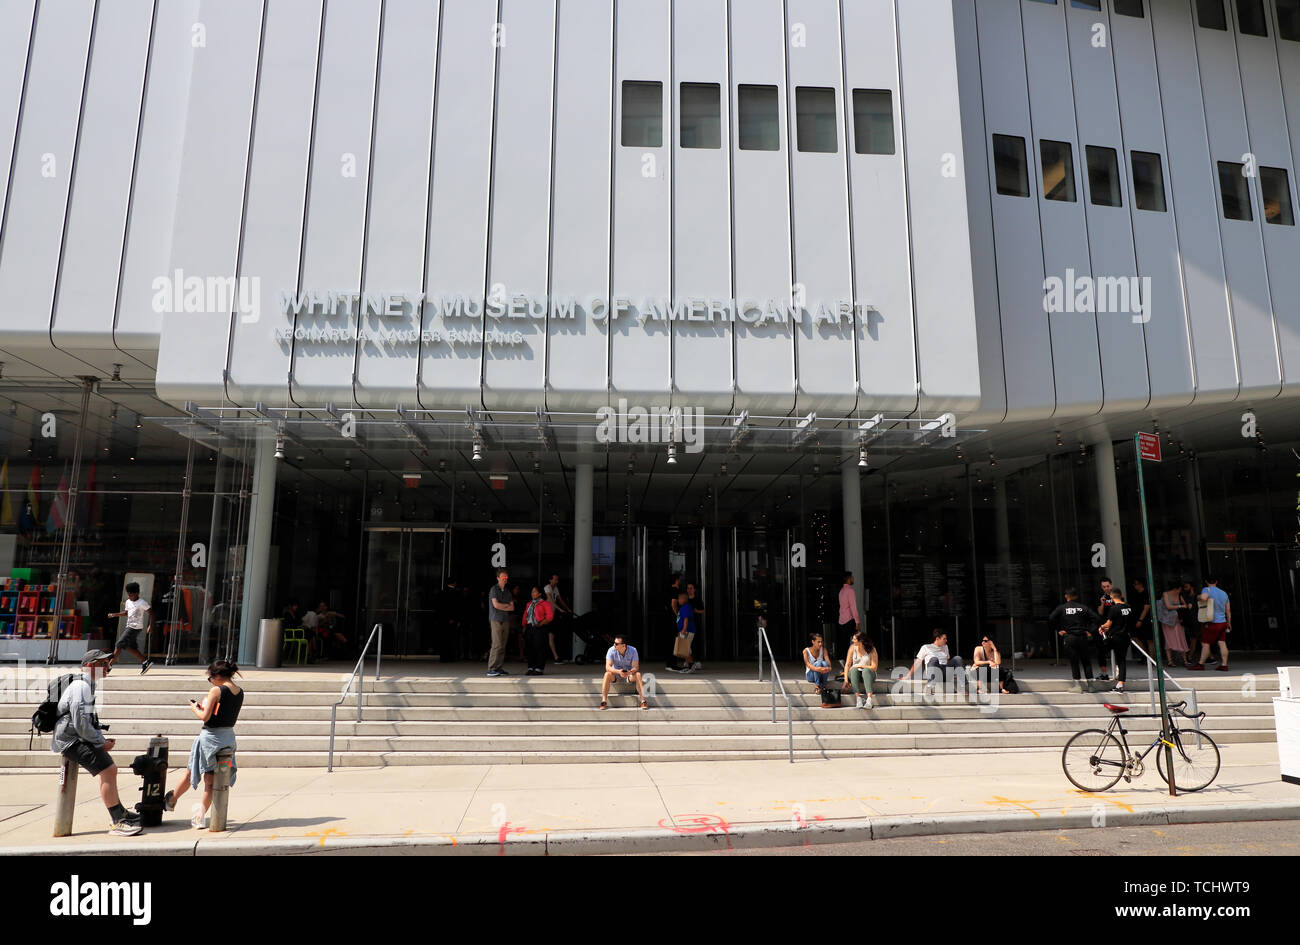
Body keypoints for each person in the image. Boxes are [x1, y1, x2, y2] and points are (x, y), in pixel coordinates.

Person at [50, 650, 141, 836]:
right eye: (103, 664)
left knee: (109, 768)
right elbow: (81, 721)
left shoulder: (86, 685)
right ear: (91, 665)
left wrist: (99, 737)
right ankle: (117, 820)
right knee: (108, 769)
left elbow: (87, 720)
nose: (108, 667)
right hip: (70, 741)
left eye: (107, 663)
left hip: (75, 737)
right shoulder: (81, 687)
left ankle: (120, 812)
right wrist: (100, 743)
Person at [163, 659, 243, 829]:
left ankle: (197, 816)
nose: (210, 681)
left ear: (217, 676)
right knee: (208, 777)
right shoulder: (239, 691)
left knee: (205, 779)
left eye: (210, 678)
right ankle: (172, 800)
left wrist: (194, 708)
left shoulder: (216, 690)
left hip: (211, 737)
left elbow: (205, 717)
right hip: (228, 738)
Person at [1049, 588, 1101, 693]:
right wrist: (1089, 630)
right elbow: (1096, 618)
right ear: (1076, 596)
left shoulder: (1062, 608)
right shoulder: (1083, 608)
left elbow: (1051, 618)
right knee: (1086, 661)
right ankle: (1091, 686)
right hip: (1082, 637)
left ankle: (1077, 686)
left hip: (1070, 637)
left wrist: (1059, 629)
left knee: (1074, 661)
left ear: (1066, 596)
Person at [107, 581, 153, 674]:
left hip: (135, 627)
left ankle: (108, 666)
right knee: (128, 646)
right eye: (128, 594)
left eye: (131, 595)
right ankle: (145, 661)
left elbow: (152, 613)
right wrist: (115, 614)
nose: (129, 597)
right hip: (129, 626)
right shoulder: (128, 601)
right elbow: (126, 613)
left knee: (119, 644)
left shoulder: (142, 602)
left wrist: (150, 625)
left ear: (137, 593)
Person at [903, 630, 965, 695]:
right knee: (934, 659)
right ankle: (929, 687)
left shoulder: (945, 647)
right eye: (944, 639)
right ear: (937, 639)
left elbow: (947, 662)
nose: (946, 640)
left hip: (944, 672)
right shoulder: (926, 647)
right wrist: (907, 676)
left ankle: (962, 687)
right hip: (935, 674)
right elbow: (917, 662)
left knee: (958, 658)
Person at [1189, 578, 1231, 671]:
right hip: (1222, 622)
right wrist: (1229, 622)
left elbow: (1204, 598)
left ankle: (1201, 664)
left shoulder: (1206, 589)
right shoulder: (1224, 593)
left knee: (1205, 644)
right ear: (1216, 581)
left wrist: (1197, 597)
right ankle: (1224, 664)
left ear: (1206, 581)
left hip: (1211, 621)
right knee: (1222, 643)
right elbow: (1228, 610)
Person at [1097, 589, 1135, 692]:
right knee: (1121, 660)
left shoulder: (1114, 609)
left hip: (1116, 637)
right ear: (1121, 595)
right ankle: (1120, 683)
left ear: (1112, 597)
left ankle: (1104, 673)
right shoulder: (1129, 607)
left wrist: (1101, 627)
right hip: (1126, 636)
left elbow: (1108, 624)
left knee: (1101, 650)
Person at [601, 635, 648, 709]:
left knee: (638, 674)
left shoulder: (633, 650)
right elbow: (607, 667)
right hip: (616, 674)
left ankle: (643, 701)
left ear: (623, 645)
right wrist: (618, 672)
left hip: (628, 675)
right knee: (607, 674)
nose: (614, 645)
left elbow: (636, 667)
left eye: (616, 644)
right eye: (614, 643)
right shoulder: (611, 650)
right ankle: (604, 701)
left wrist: (629, 672)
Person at [486, 569, 513, 677]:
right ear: (498, 578)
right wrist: (505, 606)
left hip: (505, 620)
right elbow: (495, 605)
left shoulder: (507, 591)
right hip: (496, 619)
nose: (505, 579)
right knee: (496, 644)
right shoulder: (494, 589)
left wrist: (504, 606)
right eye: (503, 577)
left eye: (506, 577)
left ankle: (499, 667)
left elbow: (512, 607)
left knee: (503, 645)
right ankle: (491, 668)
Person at [1156, 580, 1189, 668]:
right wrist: (1181, 606)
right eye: (1179, 589)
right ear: (1176, 588)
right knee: (1169, 639)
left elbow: (1185, 605)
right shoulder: (1165, 594)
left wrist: (1184, 606)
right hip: (1168, 620)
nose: (1180, 591)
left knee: (1181, 638)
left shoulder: (1179, 595)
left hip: (1177, 620)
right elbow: (1168, 606)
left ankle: (1184, 660)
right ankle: (1170, 661)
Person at [523, 586, 554, 676]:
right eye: (532, 592)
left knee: (539, 647)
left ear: (540, 593)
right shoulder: (529, 604)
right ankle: (531, 667)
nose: (532, 593)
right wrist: (524, 626)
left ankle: (539, 668)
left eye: (535, 592)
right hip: (530, 627)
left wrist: (542, 623)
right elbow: (526, 615)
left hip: (540, 627)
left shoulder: (545, 604)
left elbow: (550, 616)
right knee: (529, 648)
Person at [845, 631, 878, 709]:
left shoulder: (872, 649)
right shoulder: (852, 648)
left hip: (868, 674)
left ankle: (869, 699)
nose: (853, 641)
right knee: (853, 670)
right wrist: (846, 680)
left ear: (861, 641)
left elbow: (874, 667)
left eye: (854, 639)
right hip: (855, 674)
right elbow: (847, 665)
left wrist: (860, 666)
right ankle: (858, 699)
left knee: (866, 670)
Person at [544, 574, 572, 663]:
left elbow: (560, 599)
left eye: (557, 580)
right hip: (545, 615)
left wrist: (567, 609)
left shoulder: (555, 588)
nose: (557, 581)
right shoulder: (547, 588)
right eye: (555, 580)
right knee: (549, 635)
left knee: (551, 635)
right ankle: (555, 656)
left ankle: (555, 656)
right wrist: (560, 609)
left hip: (551, 615)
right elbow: (551, 601)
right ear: (550, 580)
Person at [673, 590, 699, 673]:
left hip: (687, 631)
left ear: (684, 599)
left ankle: (691, 665)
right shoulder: (683, 607)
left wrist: (684, 629)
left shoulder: (686, 607)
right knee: (685, 649)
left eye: (679, 599)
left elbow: (686, 619)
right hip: (684, 631)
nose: (678, 600)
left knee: (685, 649)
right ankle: (688, 666)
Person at [837, 571, 860, 666]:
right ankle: (852, 662)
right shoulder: (850, 591)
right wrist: (857, 621)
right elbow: (853, 607)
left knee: (844, 642)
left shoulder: (841, 591)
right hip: (850, 620)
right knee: (856, 640)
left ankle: (843, 661)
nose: (853, 579)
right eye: (852, 577)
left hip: (841, 620)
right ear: (848, 578)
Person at [1095, 577, 1115, 681]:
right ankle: (1104, 673)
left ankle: (1118, 673)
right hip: (1104, 627)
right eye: (1104, 587)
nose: (1106, 588)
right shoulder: (1101, 596)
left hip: (1115, 627)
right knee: (1101, 650)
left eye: (1107, 586)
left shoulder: (1116, 595)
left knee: (1117, 650)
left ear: (1111, 585)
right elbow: (1100, 612)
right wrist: (1102, 603)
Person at [1129, 578, 1153, 664]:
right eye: (1134, 584)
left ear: (1141, 584)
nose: (1135, 586)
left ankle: (1151, 659)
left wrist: (1140, 620)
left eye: (1137, 584)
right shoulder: (1134, 594)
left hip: (1145, 619)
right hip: (1135, 618)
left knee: (1149, 639)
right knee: (1134, 637)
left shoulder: (1146, 593)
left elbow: (1146, 608)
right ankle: (1145, 655)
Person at [1178, 579, 1201, 663]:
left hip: (1196, 620)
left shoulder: (1197, 596)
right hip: (1189, 620)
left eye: (1186, 586)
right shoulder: (1185, 596)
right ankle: (1209, 657)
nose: (1185, 588)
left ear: (1192, 587)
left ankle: (1190, 656)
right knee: (1195, 639)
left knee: (1194, 639)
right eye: (1184, 587)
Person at [665, 575, 684, 670]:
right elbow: (673, 603)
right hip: (673, 619)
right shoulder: (675, 591)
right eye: (679, 580)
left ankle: (670, 663)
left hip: (669, 618)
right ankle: (672, 663)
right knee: (674, 640)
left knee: (671, 640)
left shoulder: (668, 590)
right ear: (676, 580)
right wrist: (677, 615)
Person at [686, 581, 705, 666]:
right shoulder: (685, 599)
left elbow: (703, 610)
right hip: (686, 624)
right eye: (688, 588)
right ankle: (688, 660)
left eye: (691, 588)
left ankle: (697, 660)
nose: (689, 590)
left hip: (696, 623)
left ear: (694, 590)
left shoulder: (697, 599)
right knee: (687, 643)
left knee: (696, 642)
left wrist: (697, 611)